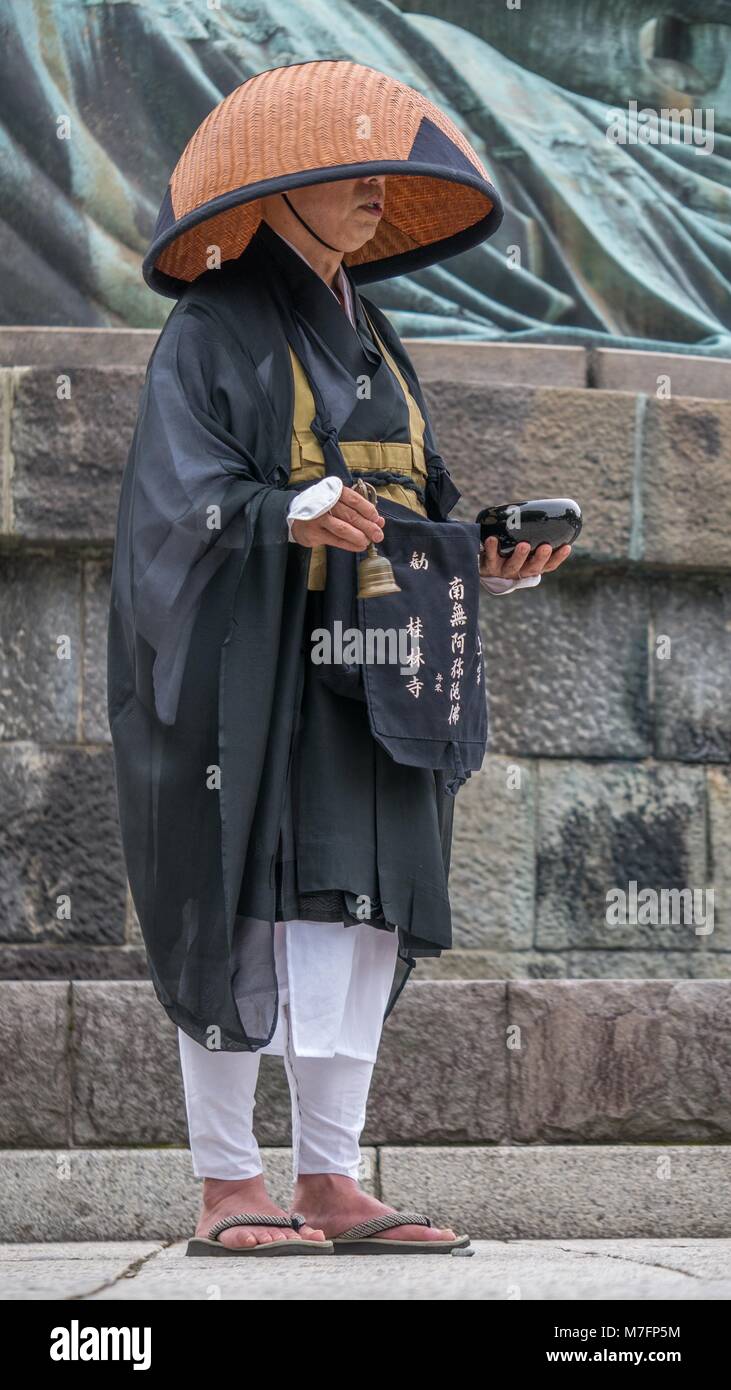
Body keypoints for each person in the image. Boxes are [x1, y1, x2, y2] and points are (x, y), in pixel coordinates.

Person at [108, 59, 572, 1256]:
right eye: (344, 171)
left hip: (376, 664)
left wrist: (482, 548)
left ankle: (328, 1175)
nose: (373, 190)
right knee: (246, 904)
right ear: (273, 193)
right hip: (257, 666)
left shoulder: (375, 330)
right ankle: (225, 1183)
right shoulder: (211, 324)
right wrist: (283, 514)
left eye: (380, 170)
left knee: (352, 917)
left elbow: (414, 495)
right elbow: (176, 500)